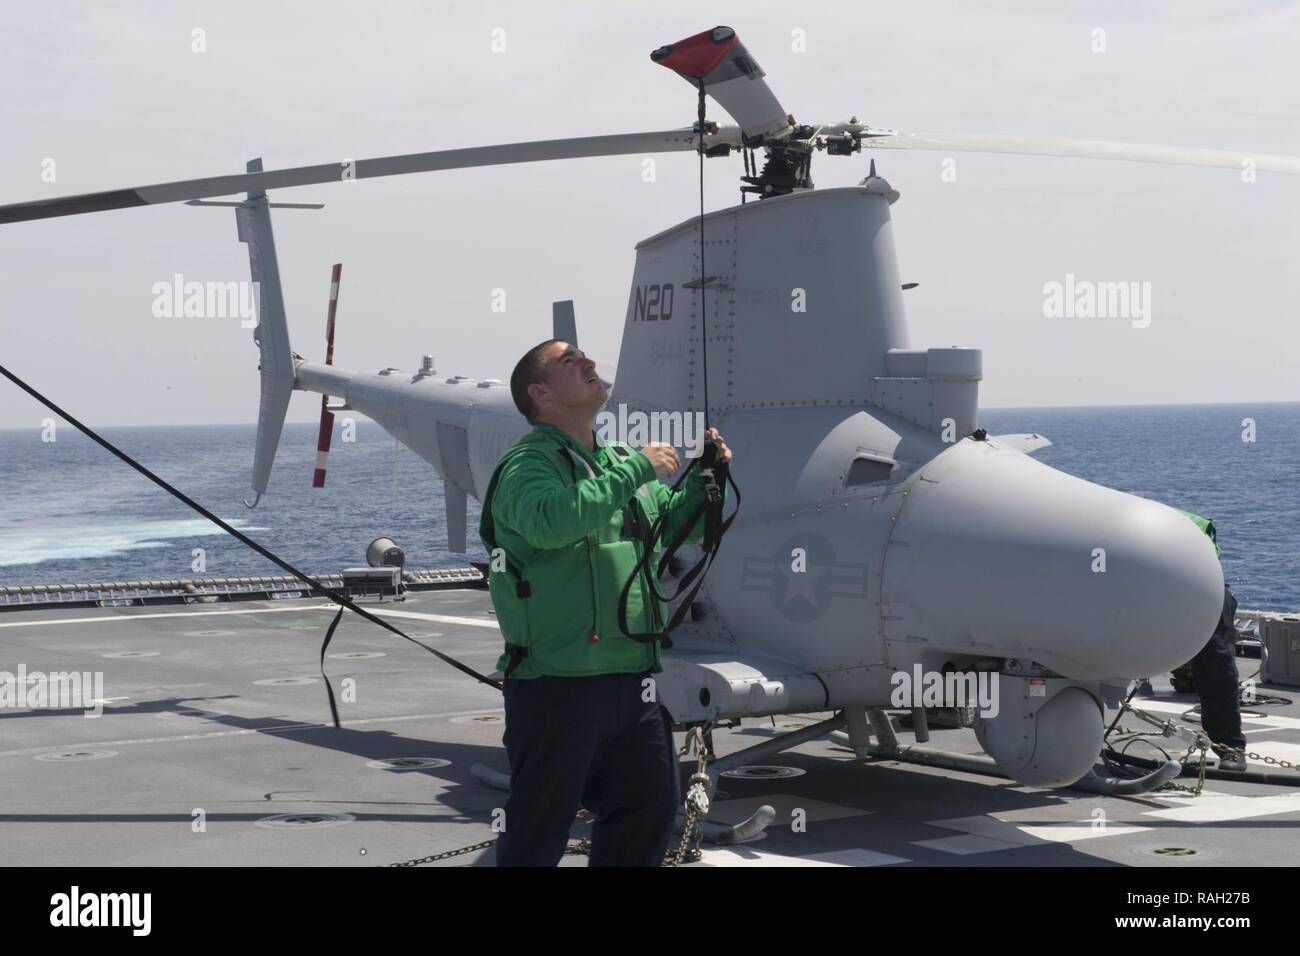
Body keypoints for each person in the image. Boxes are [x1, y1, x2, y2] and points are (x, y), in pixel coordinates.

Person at [479, 339, 731, 866]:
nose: (589, 364)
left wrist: (707, 482)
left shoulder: (616, 461)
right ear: (540, 393)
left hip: (631, 681)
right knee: (537, 830)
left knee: (647, 811)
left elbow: (668, 531)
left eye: (586, 358)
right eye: (570, 362)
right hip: (556, 686)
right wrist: (637, 469)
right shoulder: (527, 466)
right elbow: (553, 522)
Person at [1179, 511, 1247, 772]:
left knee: (1216, 661)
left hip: (1202, 586)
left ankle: (1230, 746)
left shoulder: (1186, 528)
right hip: (1144, 588)